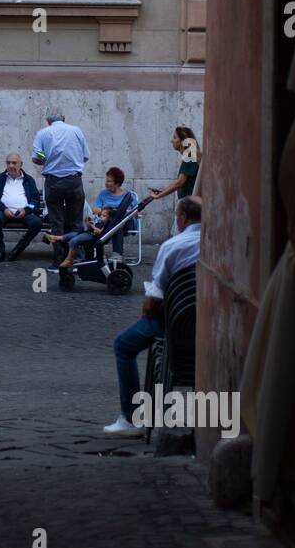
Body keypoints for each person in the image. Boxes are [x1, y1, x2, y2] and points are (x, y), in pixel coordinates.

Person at [104, 196, 202, 437]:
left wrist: (147, 313)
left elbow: (153, 300)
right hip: (208, 324)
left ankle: (131, 418)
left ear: (182, 218)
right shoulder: (220, 243)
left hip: (172, 325)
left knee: (123, 345)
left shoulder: (173, 246)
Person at [43, 166, 137, 269]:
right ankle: (58, 238)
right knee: (88, 229)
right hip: (104, 225)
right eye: (106, 180)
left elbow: (138, 212)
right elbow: (95, 209)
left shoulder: (128, 196)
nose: (106, 183)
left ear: (117, 183)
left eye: (109, 181)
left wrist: (115, 213)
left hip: (124, 223)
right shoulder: (103, 194)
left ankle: (117, 254)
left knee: (117, 222)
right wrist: (106, 212)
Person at [31, 110, 90, 268]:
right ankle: (76, 258)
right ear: (64, 118)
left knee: (57, 223)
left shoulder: (43, 134)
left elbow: (38, 157)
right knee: (76, 222)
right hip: (74, 181)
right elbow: (85, 156)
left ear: (48, 121)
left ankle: (58, 260)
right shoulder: (76, 131)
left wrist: (48, 156)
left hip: (53, 183)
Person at [0, 153, 44, 262]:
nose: (11, 165)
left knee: (36, 223)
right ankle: (0, 251)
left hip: (23, 213)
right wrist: (4, 209)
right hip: (3, 211)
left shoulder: (28, 180)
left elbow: (35, 201)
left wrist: (26, 210)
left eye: (14, 163)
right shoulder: (0, 178)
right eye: (8, 163)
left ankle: (17, 250)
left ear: (20, 164)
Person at [149, 126, 201, 202]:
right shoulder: (190, 156)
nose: (171, 141)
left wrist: (159, 196)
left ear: (183, 141)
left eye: (175, 138)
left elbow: (179, 182)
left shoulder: (189, 157)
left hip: (189, 204)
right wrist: (163, 191)